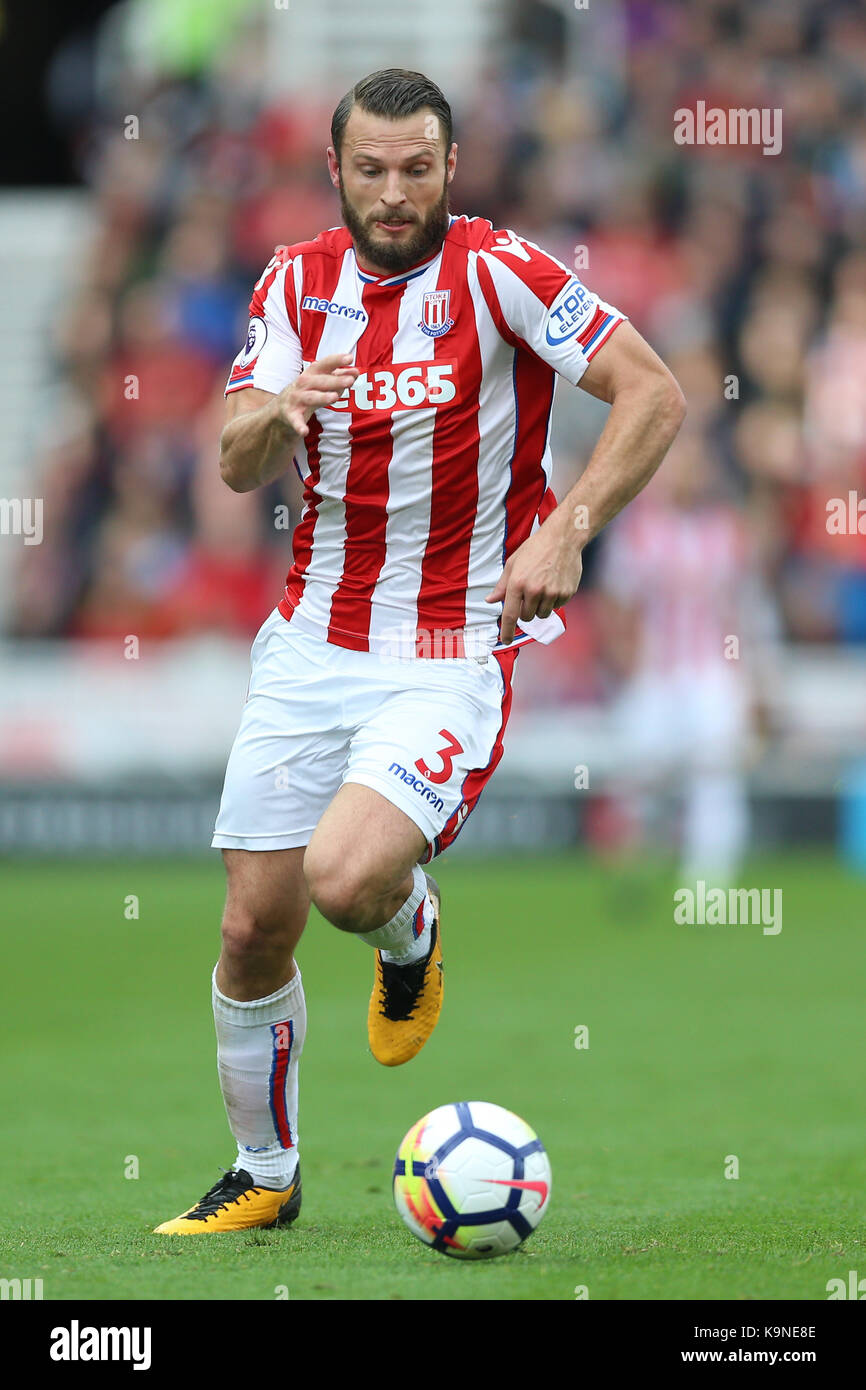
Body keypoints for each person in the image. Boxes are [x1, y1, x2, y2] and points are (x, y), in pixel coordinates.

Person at [154, 68, 685, 1233]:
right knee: (251, 925)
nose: (393, 193)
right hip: (310, 641)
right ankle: (264, 1173)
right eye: (369, 169)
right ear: (334, 169)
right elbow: (238, 459)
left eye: (416, 168)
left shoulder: (498, 270)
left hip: (449, 641)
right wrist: (272, 406)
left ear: (449, 166)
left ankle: (411, 930)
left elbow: (651, 393)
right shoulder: (293, 281)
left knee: (344, 878)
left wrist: (567, 526)